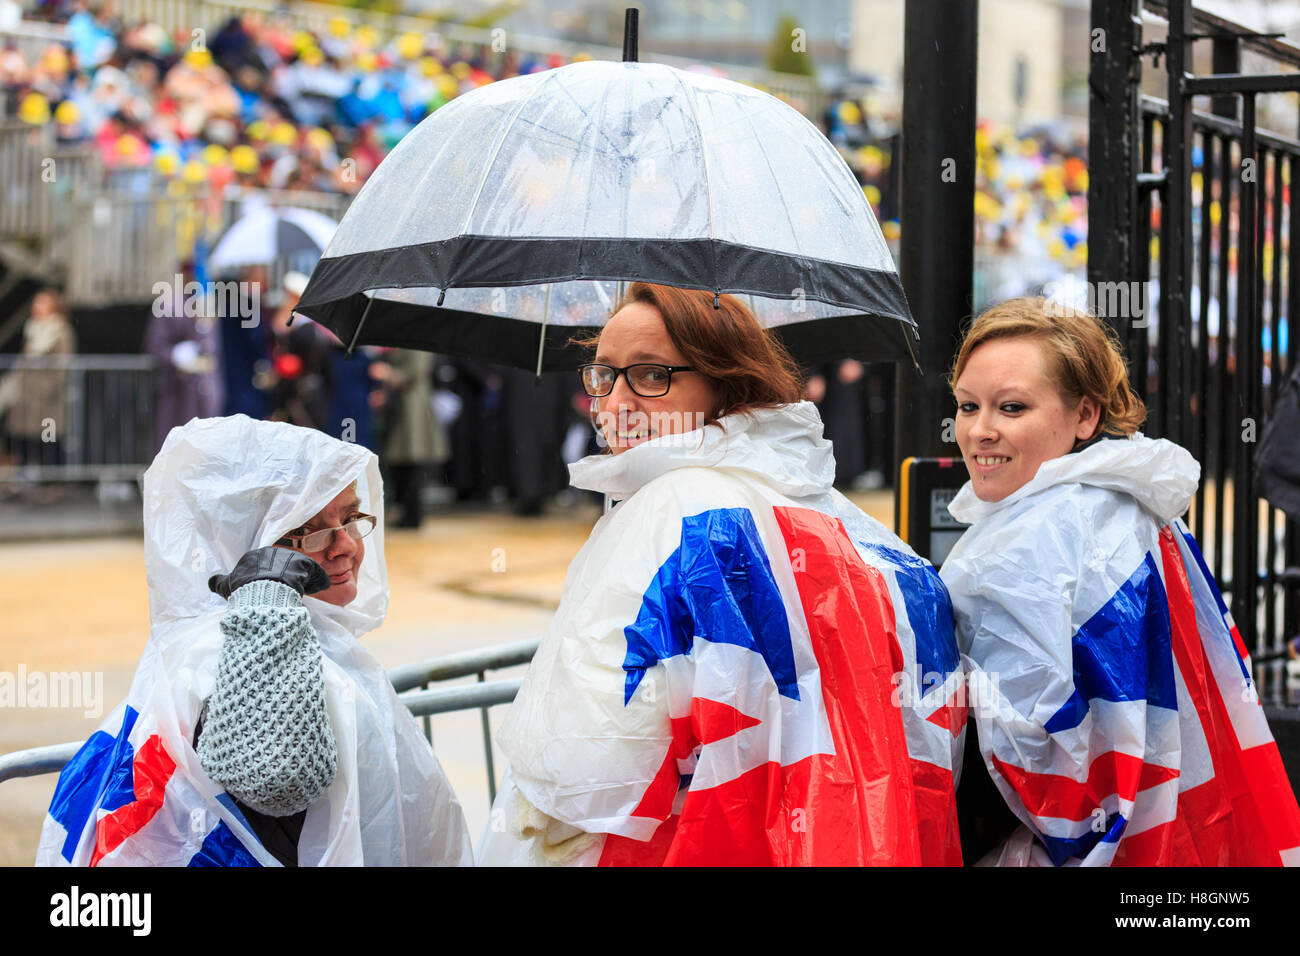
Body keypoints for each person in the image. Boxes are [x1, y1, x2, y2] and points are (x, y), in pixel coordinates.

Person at [477, 282, 964, 866]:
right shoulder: (849, 523)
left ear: (726, 382)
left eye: (651, 375)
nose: (615, 404)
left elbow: (585, 770)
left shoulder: (671, 511)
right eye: (603, 375)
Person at [939, 296, 1300, 866]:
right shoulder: (1133, 505)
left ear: (1085, 415)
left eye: (1011, 408)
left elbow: (1024, 757)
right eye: (966, 405)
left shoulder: (1025, 543)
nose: (979, 431)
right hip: (1185, 833)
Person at [37, 415, 473, 866]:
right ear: (247, 543)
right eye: (311, 531)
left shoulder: (292, 632)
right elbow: (274, 777)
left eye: (350, 519)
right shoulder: (246, 639)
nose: (344, 545)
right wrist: (267, 608)